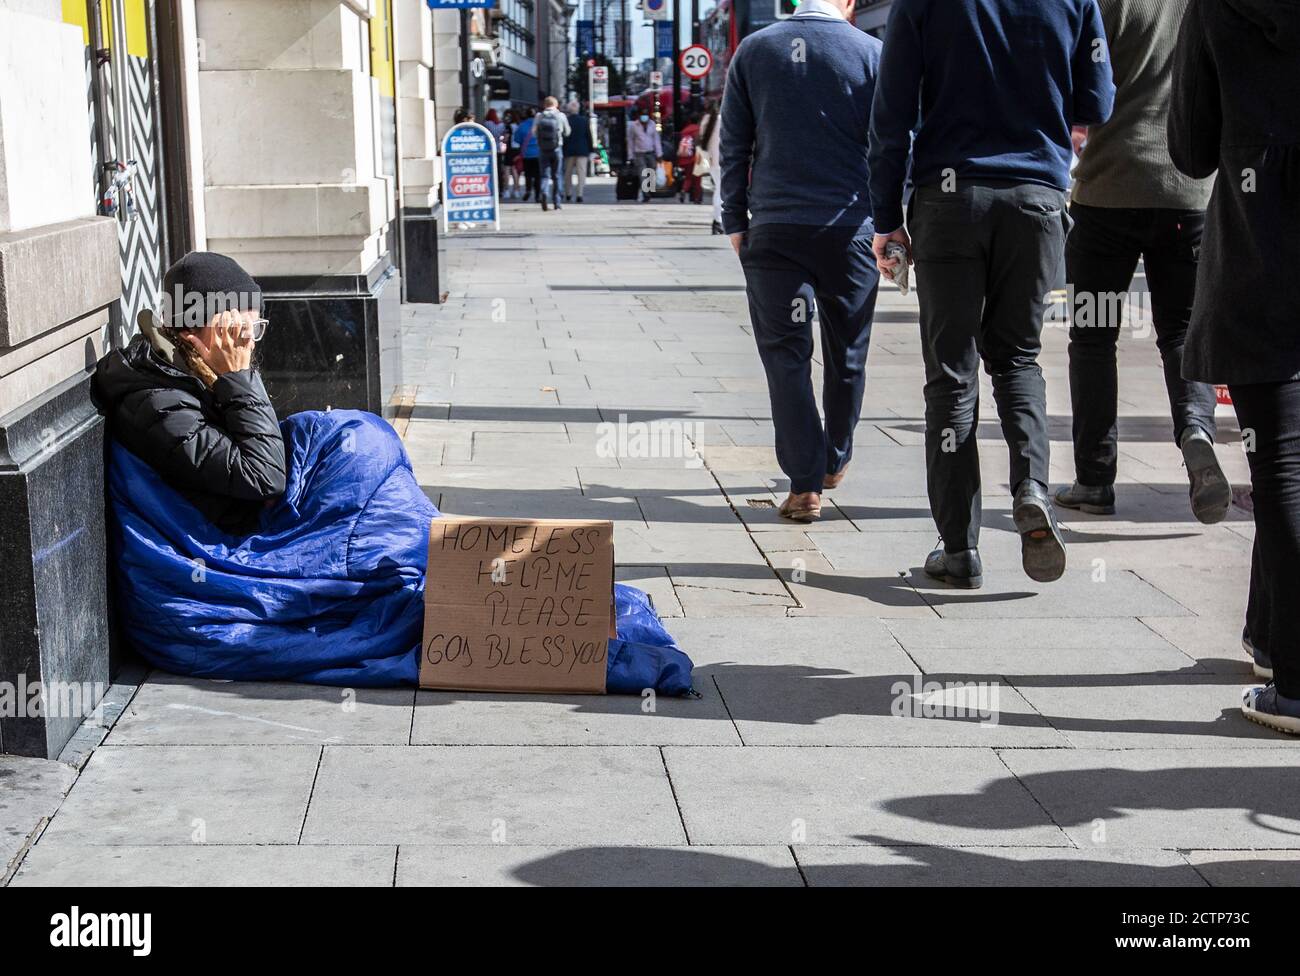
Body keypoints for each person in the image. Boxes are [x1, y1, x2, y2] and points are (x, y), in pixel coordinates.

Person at [868, 0, 1115, 587]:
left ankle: (958, 550)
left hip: (948, 199)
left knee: (952, 375)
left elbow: (891, 113)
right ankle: (1030, 485)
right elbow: (1098, 102)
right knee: (1018, 359)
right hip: (1035, 198)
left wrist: (885, 217)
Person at [1169, 0, 1300, 734]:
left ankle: (1297, 682)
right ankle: (1271, 637)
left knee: (1281, 462)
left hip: (1262, 249)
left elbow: (1190, 148)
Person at [1056, 0, 1228, 525]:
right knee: (1182, 332)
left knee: (1093, 335)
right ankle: (1196, 432)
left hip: (1108, 188)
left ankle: (1094, 480)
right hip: (1189, 191)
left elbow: (1081, 86)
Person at [721, 0, 883, 522]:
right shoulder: (873, 54)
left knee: (785, 355)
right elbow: (893, 145)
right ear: (852, 2)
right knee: (848, 350)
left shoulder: (755, 50)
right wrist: (893, 223)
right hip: (850, 230)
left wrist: (735, 218)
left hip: (775, 227)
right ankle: (834, 456)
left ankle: (804, 484)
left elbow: (734, 144)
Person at [90, 252, 284, 535]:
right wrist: (238, 378)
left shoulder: (200, 376)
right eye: (236, 330)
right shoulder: (160, 400)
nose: (248, 343)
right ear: (191, 329)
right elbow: (265, 476)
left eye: (254, 329)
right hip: (221, 551)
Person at [534, 96, 571, 212]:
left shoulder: (539, 116)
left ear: (545, 105)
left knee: (544, 175)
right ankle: (557, 203)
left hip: (543, 149)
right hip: (557, 148)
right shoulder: (561, 116)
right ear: (556, 105)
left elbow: (534, 132)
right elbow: (567, 132)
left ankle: (544, 192)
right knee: (557, 175)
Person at [627, 109, 662, 203]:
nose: (644, 117)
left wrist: (659, 154)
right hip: (639, 153)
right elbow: (630, 141)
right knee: (643, 174)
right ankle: (645, 193)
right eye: (642, 115)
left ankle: (650, 189)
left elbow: (656, 140)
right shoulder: (634, 126)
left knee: (652, 171)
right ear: (639, 116)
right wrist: (630, 156)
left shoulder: (652, 124)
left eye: (646, 115)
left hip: (650, 152)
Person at [699, 100, 723, 233]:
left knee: (719, 189)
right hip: (724, 160)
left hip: (712, 160)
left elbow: (702, 138)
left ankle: (718, 220)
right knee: (721, 190)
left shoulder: (708, 119)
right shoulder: (723, 119)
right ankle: (718, 220)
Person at [563, 100, 593, 203]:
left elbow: (564, 136)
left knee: (568, 173)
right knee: (581, 173)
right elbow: (589, 136)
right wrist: (591, 150)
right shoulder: (584, 120)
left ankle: (568, 193)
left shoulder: (566, 120)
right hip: (582, 150)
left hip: (568, 151)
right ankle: (580, 194)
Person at [675, 112, 703, 204]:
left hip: (686, 158)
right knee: (697, 178)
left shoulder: (685, 130)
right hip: (696, 157)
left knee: (688, 177)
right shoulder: (698, 129)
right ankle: (697, 198)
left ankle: (683, 190)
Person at [515, 108, 538, 202]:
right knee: (538, 175)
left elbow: (516, 139)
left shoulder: (522, 126)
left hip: (526, 153)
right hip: (538, 153)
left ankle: (528, 190)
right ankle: (538, 194)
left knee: (528, 174)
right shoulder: (539, 125)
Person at [500, 110, 520, 200]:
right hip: (518, 149)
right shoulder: (519, 125)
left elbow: (506, 139)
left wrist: (503, 139)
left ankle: (507, 190)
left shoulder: (509, 126)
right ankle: (516, 191)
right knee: (515, 170)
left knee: (507, 169)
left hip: (510, 149)